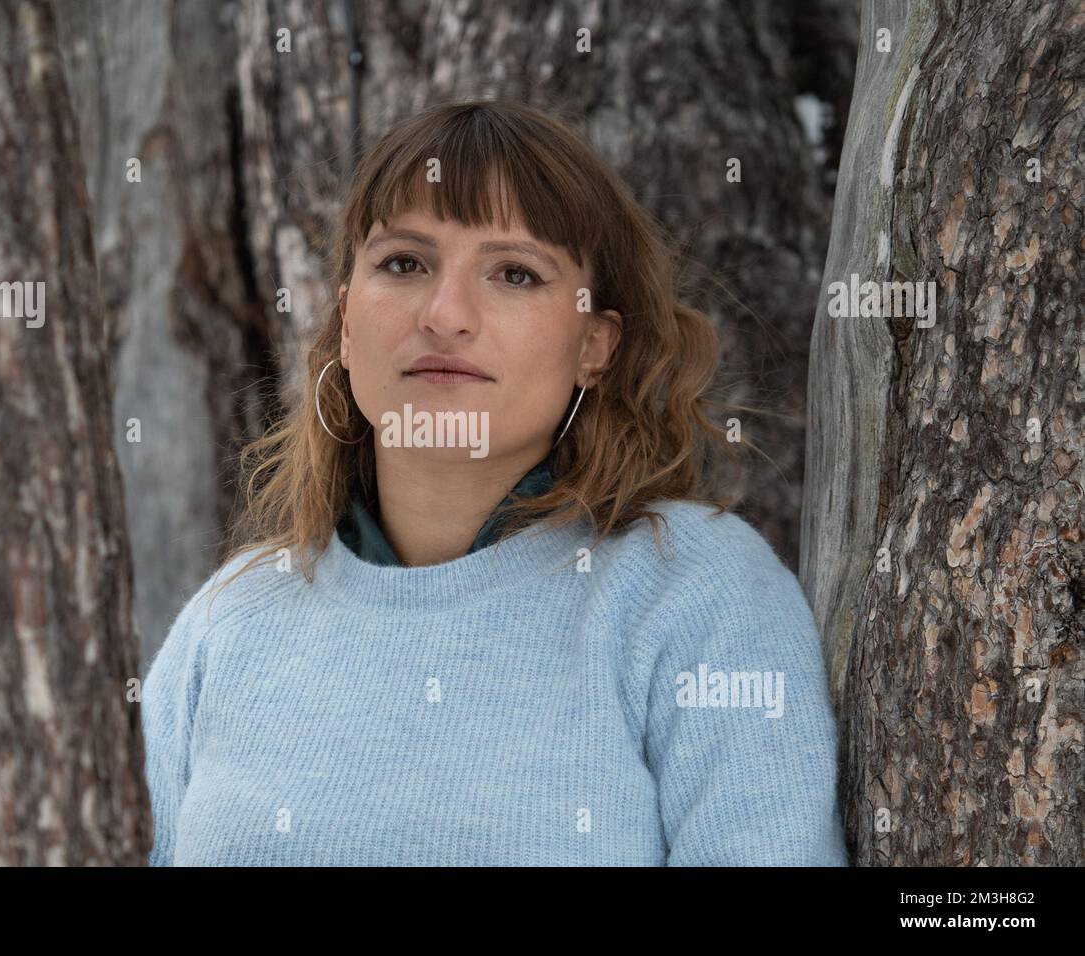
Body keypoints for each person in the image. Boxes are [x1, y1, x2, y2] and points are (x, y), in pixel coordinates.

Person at [142, 98, 848, 866]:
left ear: (595, 346)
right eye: (404, 263)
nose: (445, 315)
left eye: (515, 273)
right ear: (346, 324)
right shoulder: (233, 621)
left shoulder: (695, 594)